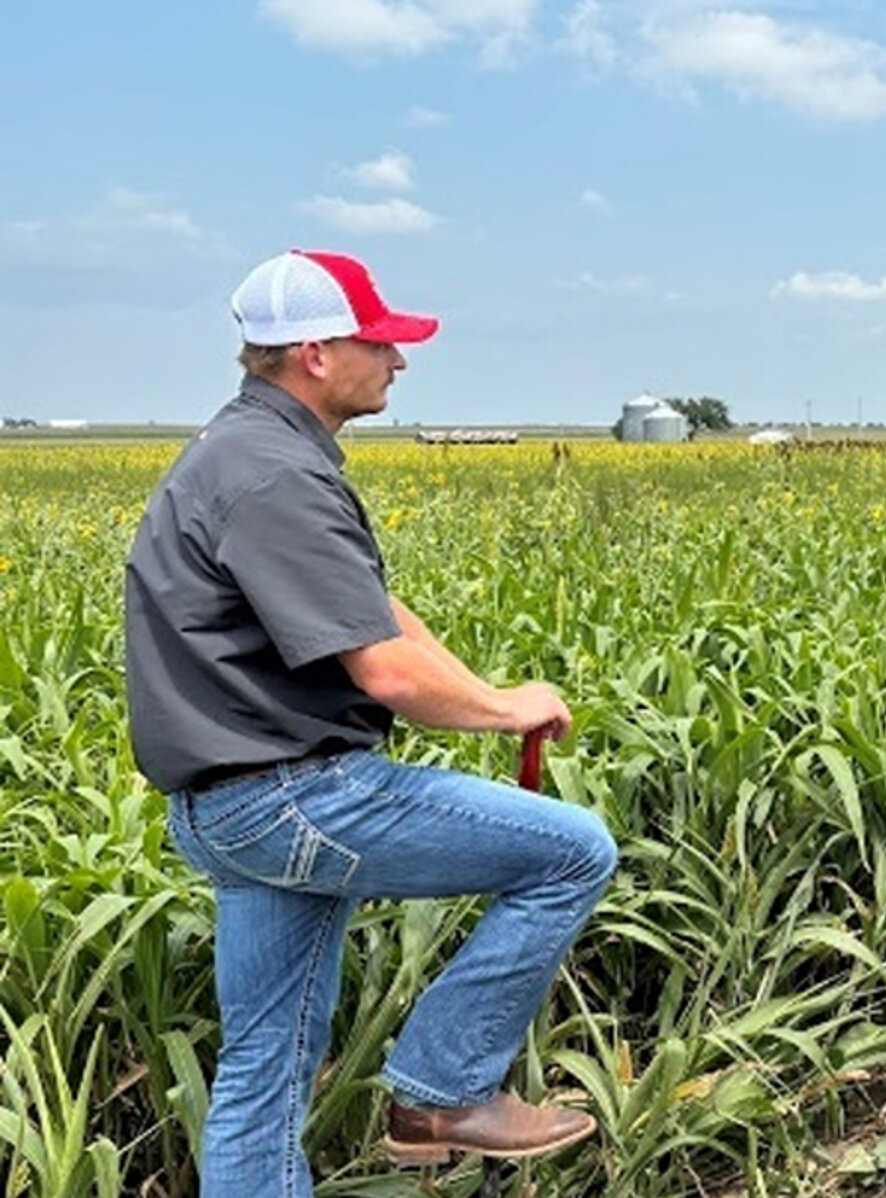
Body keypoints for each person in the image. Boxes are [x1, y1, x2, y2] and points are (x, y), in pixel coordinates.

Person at [125, 250, 617, 1195]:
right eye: (379, 342)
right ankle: (442, 1089)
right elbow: (386, 670)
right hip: (293, 796)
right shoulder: (275, 476)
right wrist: (501, 709)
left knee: (266, 1068)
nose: (398, 362)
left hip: (226, 812)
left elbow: (379, 617)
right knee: (572, 853)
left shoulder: (245, 451)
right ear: (314, 353)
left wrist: (488, 685)